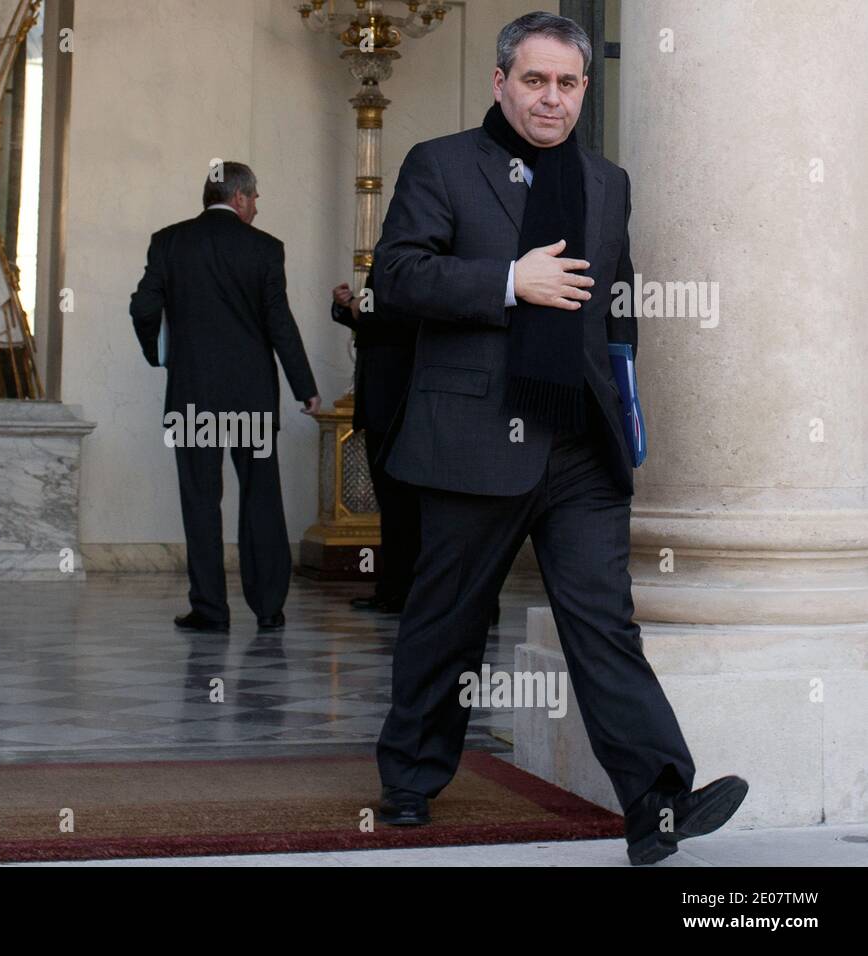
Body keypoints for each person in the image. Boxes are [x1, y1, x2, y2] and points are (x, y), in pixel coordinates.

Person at [367, 12, 746, 865]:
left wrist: (625, 404)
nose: (551, 98)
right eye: (535, 80)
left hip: (578, 442)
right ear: (500, 81)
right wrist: (511, 280)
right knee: (448, 619)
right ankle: (411, 779)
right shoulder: (441, 163)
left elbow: (617, 302)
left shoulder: (607, 181)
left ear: (583, 89)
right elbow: (397, 275)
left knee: (605, 622)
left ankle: (657, 801)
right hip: (473, 436)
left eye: (568, 83)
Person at [130, 161, 320, 632]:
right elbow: (280, 322)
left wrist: (161, 354)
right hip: (250, 397)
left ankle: (210, 610)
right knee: (261, 498)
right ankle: (268, 607)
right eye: (254, 197)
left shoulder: (169, 241)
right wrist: (305, 386)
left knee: (200, 500)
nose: (257, 206)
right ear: (238, 197)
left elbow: (143, 306)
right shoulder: (265, 248)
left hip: (193, 396)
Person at [328, 268, 421, 614]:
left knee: (402, 504)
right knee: (393, 504)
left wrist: (359, 306)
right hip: (382, 400)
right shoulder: (393, 257)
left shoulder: (414, 258)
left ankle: (402, 591)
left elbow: (400, 314)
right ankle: (394, 588)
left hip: (396, 401)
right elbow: (373, 322)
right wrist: (346, 307)